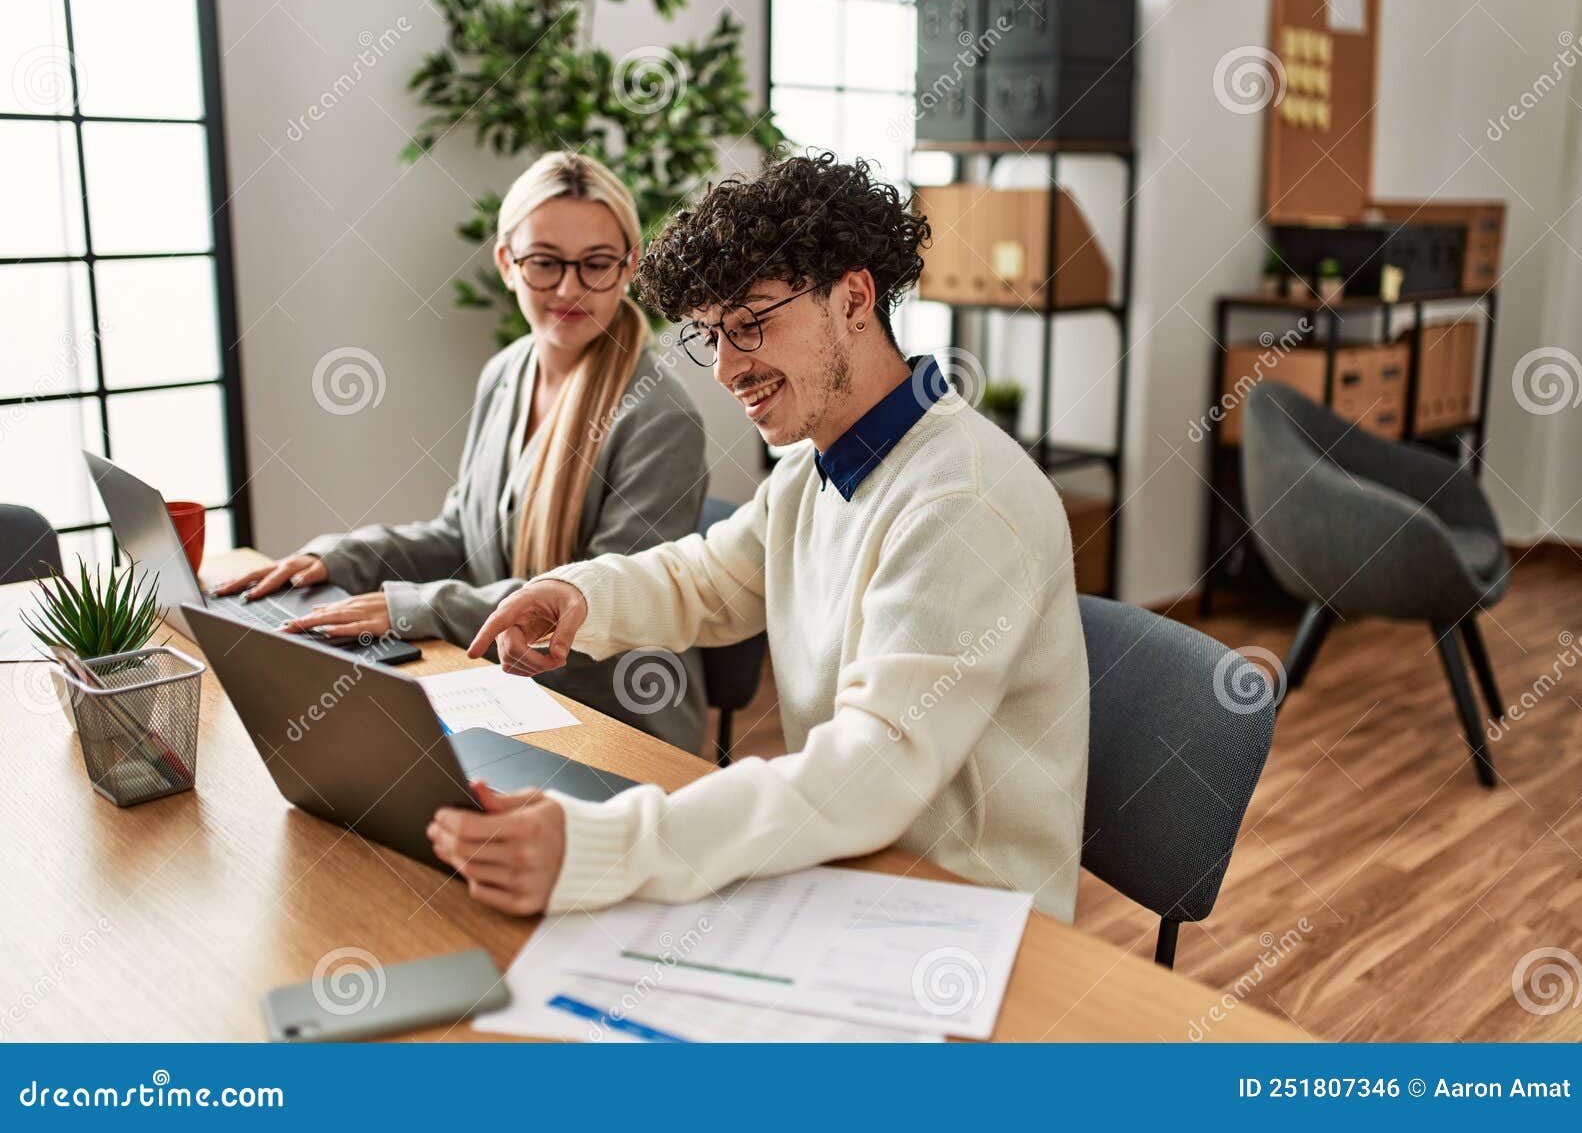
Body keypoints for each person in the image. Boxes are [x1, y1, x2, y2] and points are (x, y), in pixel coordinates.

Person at [427, 152, 1090, 921]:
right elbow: (707, 580)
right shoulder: (818, 464)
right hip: (850, 868)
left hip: (965, 919)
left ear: (854, 298)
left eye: (749, 325)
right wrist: (577, 594)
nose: (726, 368)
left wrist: (609, 845)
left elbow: (870, 771)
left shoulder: (962, 499)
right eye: (712, 335)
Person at [213, 151, 709, 751]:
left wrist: (416, 606)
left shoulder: (660, 417)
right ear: (507, 263)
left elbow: (602, 603)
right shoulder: (506, 373)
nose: (569, 288)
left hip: (618, 723)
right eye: (544, 262)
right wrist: (341, 558)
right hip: (511, 692)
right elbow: (462, 536)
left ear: (629, 265)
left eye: (597, 264)